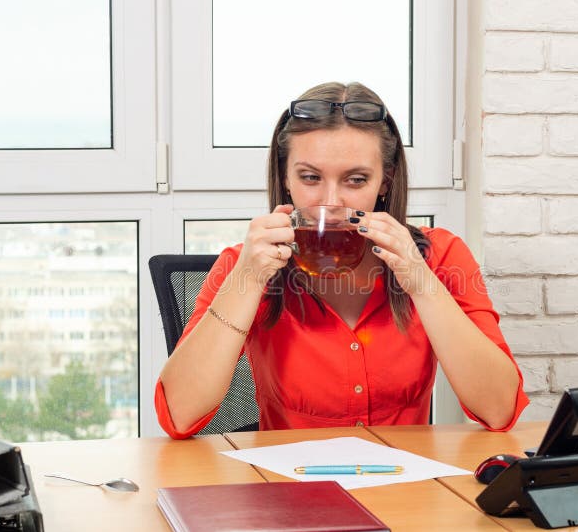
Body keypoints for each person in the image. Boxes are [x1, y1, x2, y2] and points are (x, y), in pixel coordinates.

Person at [155, 81, 528, 438]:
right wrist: (249, 280)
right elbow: (180, 415)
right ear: (286, 177)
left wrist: (421, 282)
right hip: (289, 490)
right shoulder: (245, 264)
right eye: (310, 177)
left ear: (385, 181)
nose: (331, 203)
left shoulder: (439, 256)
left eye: (355, 180)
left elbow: (499, 409)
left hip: (402, 491)